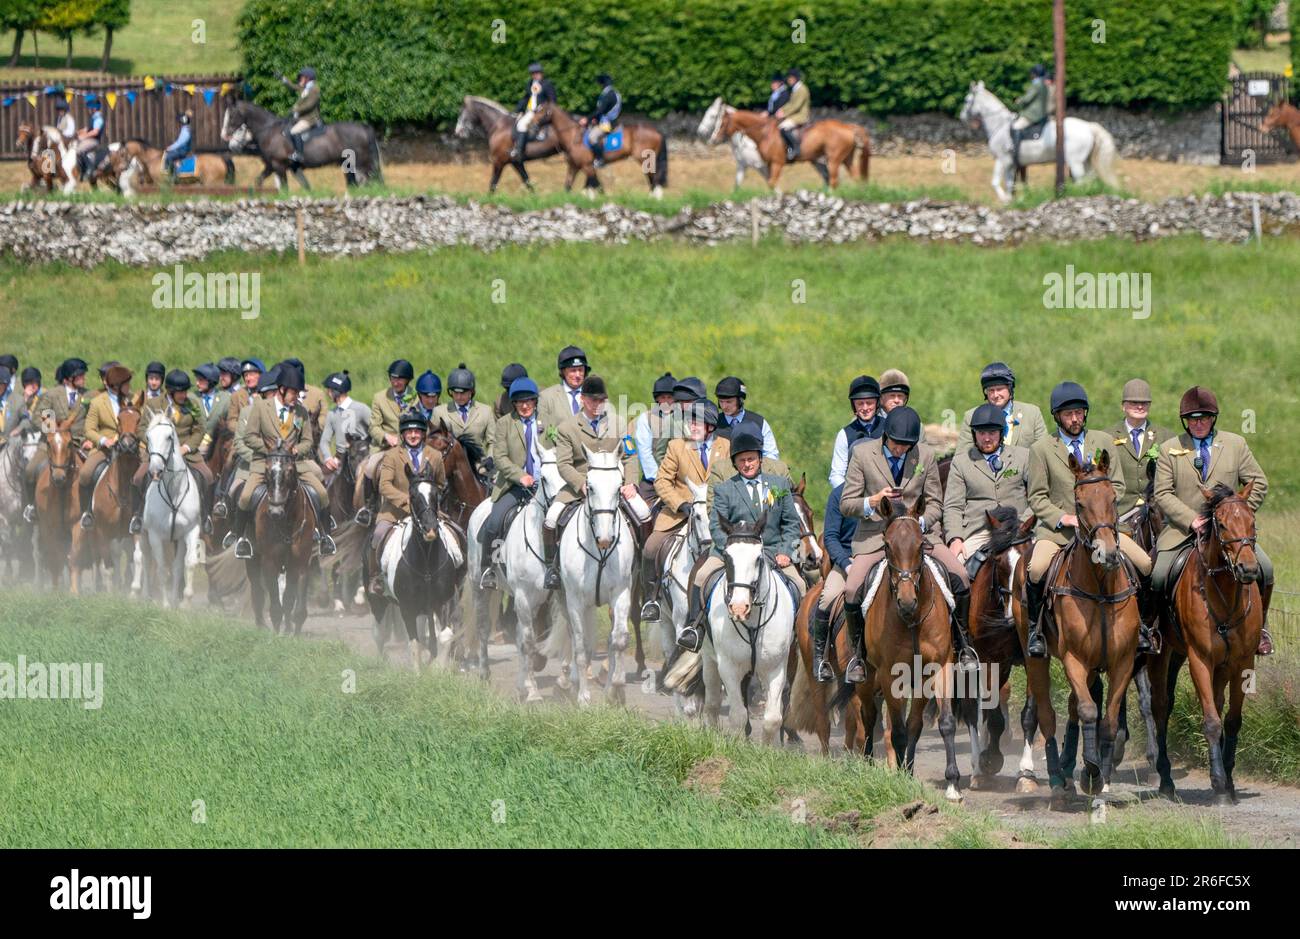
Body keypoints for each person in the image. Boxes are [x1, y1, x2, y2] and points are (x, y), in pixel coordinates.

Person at [839, 406, 972, 679]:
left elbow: (935, 502)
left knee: (960, 576)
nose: (901, 450)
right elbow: (846, 504)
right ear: (885, 436)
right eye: (897, 444)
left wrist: (918, 524)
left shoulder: (925, 455)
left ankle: (962, 645)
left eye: (906, 446)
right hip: (876, 536)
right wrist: (872, 501)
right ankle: (858, 657)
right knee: (852, 589)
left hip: (918, 536)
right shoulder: (863, 455)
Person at [1024, 381, 1152, 658]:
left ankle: (1141, 627)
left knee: (1144, 563)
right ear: (1057, 416)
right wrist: (1065, 517)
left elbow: (1117, 485)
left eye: (1080, 413)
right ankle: (1036, 631)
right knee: (1035, 569)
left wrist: (1097, 510)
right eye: (1069, 414)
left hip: (1102, 529)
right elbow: (1036, 497)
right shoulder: (1042, 449)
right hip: (1061, 532)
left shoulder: (1103, 442)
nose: (1075, 419)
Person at [1152, 386, 1273, 656]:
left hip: (1230, 535)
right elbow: (1162, 493)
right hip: (1183, 532)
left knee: (1265, 568)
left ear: (1213, 418)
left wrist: (1236, 515)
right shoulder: (1169, 449)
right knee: (1158, 574)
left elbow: (1259, 482)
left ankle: (1261, 628)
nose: (1198, 424)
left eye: (1203, 418)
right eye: (1192, 419)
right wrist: (1191, 520)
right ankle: (1155, 629)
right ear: (1185, 421)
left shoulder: (1235, 444)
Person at [678, 428, 804, 653]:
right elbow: (716, 524)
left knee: (801, 585)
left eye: (751, 459)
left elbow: (792, 523)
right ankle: (694, 628)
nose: (747, 464)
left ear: (760, 459)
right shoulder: (725, 489)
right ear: (735, 463)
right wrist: (730, 550)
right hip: (733, 551)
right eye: (742, 460)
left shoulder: (779, 485)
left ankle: (802, 637)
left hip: (774, 550)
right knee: (701, 575)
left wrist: (786, 550)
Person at [231, 366, 335, 559]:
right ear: (281, 390)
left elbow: (308, 441)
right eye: (294, 392)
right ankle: (240, 538)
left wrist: (296, 450)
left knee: (321, 493)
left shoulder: (301, 411)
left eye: (298, 392)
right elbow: (250, 437)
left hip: (294, 465)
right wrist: (270, 451)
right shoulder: (261, 407)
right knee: (245, 497)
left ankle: (325, 537)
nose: (297, 396)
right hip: (264, 463)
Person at [546, 375, 640, 589]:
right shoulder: (567, 428)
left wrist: (631, 482)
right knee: (551, 518)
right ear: (582, 399)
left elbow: (631, 456)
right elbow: (564, 464)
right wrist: (580, 483)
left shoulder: (618, 423)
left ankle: (641, 568)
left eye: (601, 400)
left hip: (613, 488)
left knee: (643, 514)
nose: (597, 405)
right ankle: (553, 568)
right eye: (592, 400)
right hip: (579, 488)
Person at [641, 398, 724, 621]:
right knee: (650, 547)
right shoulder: (676, 446)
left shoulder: (725, 447)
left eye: (698, 422)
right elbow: (662, 482)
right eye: (691, 421)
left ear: (711, 427)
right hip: (679, 515)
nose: (692, 426)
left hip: (717, 517)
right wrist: (681, 504)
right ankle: (651, 599)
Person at [943, 403, 1032, 577]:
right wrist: (955, 539)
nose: (987, 438)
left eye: (992, 433)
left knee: (1040, 568)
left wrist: (1025, 524)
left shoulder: (1023, 456)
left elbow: (1037, 495)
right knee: (954, 570)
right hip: (980, 531)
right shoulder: (961, 462)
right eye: (981, 433)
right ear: (974, 434)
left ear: (1001, 433)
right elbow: (953, 506)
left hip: (1019, 528)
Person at [477, 377, 547, 590]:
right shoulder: (504, 424)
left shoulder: (547, 423)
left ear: (535, 401)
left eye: (528, 401)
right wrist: (521, 476)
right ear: (514, 404)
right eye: (519, 402)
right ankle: (489, 566)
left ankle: (558, 569)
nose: (524, 406)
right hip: (515, 486)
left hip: (545, 486)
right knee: (494, 521)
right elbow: (500, 458)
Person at [367, 411, 447, 596]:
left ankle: (456, 575)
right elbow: (384, 485)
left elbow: (441, 484)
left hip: (428, 512)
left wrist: (429, 501)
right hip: (395, 512)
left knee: (455, 536)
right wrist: (408, 500)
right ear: (402, 434)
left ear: (423, 433)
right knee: (378, 534)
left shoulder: (435, 456)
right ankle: (376, 576)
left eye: (417, 431)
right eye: (409, 431)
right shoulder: (392, 455)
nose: (413, 435)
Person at [130, 370, 213, 534]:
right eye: (180, 392)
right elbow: (140, 429)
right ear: (170, 391)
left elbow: (199, 429)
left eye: (185, 391)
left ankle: (205, 517)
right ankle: (137, 516)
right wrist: (157, 445)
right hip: (158, 452)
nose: (184, 395)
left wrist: (187, 447)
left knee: (208, 476)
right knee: (138, 478)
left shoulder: (192, 404)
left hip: (186, 452)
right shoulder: (152, 404)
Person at [1107, 378, 1175, 529]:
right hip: (1120, 516)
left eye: (1144, 403)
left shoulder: (1166, 437)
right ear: (1123, 406)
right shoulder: (1107, 438)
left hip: (1158, 516)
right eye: (1133, 402)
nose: (1139, 406)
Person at [76, 364, 134, 530]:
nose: (129, 387)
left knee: (147, 472)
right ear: (116, 385)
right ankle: (87, 512)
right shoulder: (97, 402)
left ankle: (140, 512)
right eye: (126, 383)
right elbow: (89, 429)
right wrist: (104, 440)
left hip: (130, 449)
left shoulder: (132, 399)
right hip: (106, 449)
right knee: (86, 474)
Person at [956, 362, 1047, 452]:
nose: (995, 395)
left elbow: (1043, 451)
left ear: (1010, 388)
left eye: (999, 389)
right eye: (991, 390)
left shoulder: (1032, 413)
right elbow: (962, 455)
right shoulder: (971, 416)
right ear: (985, 392)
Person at [431, 364, 495, 466]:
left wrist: (490, 457)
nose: (459, 397)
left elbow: (492, 441)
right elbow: (431, 441)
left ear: (471, 392)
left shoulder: (486, 411)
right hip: (449, 465)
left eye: (463, 393)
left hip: (479, 465)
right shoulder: (439, 412)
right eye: (455, 393)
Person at [828, 375, 884, 488]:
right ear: (853, 405)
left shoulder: (889, 427)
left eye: (869, 403)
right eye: (860, 403)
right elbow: (836, 474)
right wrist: (850, 493)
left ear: (877, 403)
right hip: (855, 492)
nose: (865, 408)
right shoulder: (844, 434)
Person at [631, 372, 678, 500]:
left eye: (670, 397)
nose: (667, 402)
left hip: (680, 478)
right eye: (663, 398)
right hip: (654, 478)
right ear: (657, 399)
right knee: (638, 510)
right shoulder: (646, 418)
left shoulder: (684, 417)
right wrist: (659, 477)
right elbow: (645, 452)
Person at [714, 376, 779, 459]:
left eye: (729, 402)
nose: (724, 406)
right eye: (721, 402)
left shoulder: (759, 422)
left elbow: (771, 454)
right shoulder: (713, 423)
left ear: (740, 400)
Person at [319, 371, 371, 472]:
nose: (327, 393)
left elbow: (375, 430)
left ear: (335, 391)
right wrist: (328, 458)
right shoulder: (332, 414)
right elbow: (324, 441)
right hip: (340, 459)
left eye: (329, 390)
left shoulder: (362, 408)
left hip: (362, 456)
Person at [511, 62, 557, 162]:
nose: (535, 75)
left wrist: (546, 110)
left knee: (522, 125)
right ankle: (515, 146)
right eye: (533, 73)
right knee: (514, 122)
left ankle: (519, 152)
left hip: (539, 111)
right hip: (529, 110)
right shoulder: (530, 84)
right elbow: (525, 98)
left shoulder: (547, 84)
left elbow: (552, 100)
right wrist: (516, 110)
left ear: (541, 73)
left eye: (537, 73)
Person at [538, 345, 590, 428]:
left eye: (580, 370)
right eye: (573, 370)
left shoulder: (595, 395)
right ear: (563, 371)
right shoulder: (546, 397)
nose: (577, 375)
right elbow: (542, 432)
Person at [1011, 64, 1051, 167]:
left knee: (1016, 126)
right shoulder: (1044, 84)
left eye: (1031, 73)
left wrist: (1018, 100)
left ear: (1034, 74)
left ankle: (1015, 153)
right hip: (1042, 113)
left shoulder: (1036, 85)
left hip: (1033, 114)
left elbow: (1027, 99)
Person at [282, 67, 322, 166]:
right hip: (301, 117)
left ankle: (299, 155)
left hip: (310, 119)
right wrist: (283, 79)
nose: (300, 79)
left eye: (302, 77)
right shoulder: (306, 88)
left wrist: (295, 110)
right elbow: (294, 87)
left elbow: (310, 105)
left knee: (294, 131)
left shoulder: (314, 89)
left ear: (308, 78)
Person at [582, 73, 622, 168]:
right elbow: (606, 110)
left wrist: (587, 119)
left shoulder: (608, 94)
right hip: (607, 121)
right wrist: (596, 119)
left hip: (608, 124)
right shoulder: (613, 92)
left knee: (592, 137)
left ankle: (600, 159)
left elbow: (600, 110)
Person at [192, 363, 230, 458]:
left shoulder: (226, 398)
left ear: (211, 381)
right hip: (195, 447)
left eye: (200, 380)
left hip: (217, 448)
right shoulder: (191, 398)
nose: (197, 383)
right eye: (197, 379)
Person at [775, 67, 811, 160]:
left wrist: (784, 114)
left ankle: (795, 148)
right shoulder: (795, 89)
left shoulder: (802, 89)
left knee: (782, 127)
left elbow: (796, 105)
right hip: (794, 114)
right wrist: (781, 109)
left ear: (795, 78)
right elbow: (790, 103)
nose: (788, 80)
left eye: (789, 78)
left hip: (800, 116)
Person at [75, 97, 105, 181]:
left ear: (94, 108)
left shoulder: (98, 118)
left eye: (90, 107)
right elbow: (88, 128)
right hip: (89, 139)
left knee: (79, 150)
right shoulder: (94, 118)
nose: (89, 109)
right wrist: (79, 132)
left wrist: (84, 136)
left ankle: (88, 168)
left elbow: (95, 132)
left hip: (94, 141)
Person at [163, 112, 194, 179]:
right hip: (181, 149)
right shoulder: (185, 129)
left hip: (183, 151)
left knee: (169, 157)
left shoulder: (186, 131)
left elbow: (179, 143)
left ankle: (173, 176)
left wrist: (170, 148)